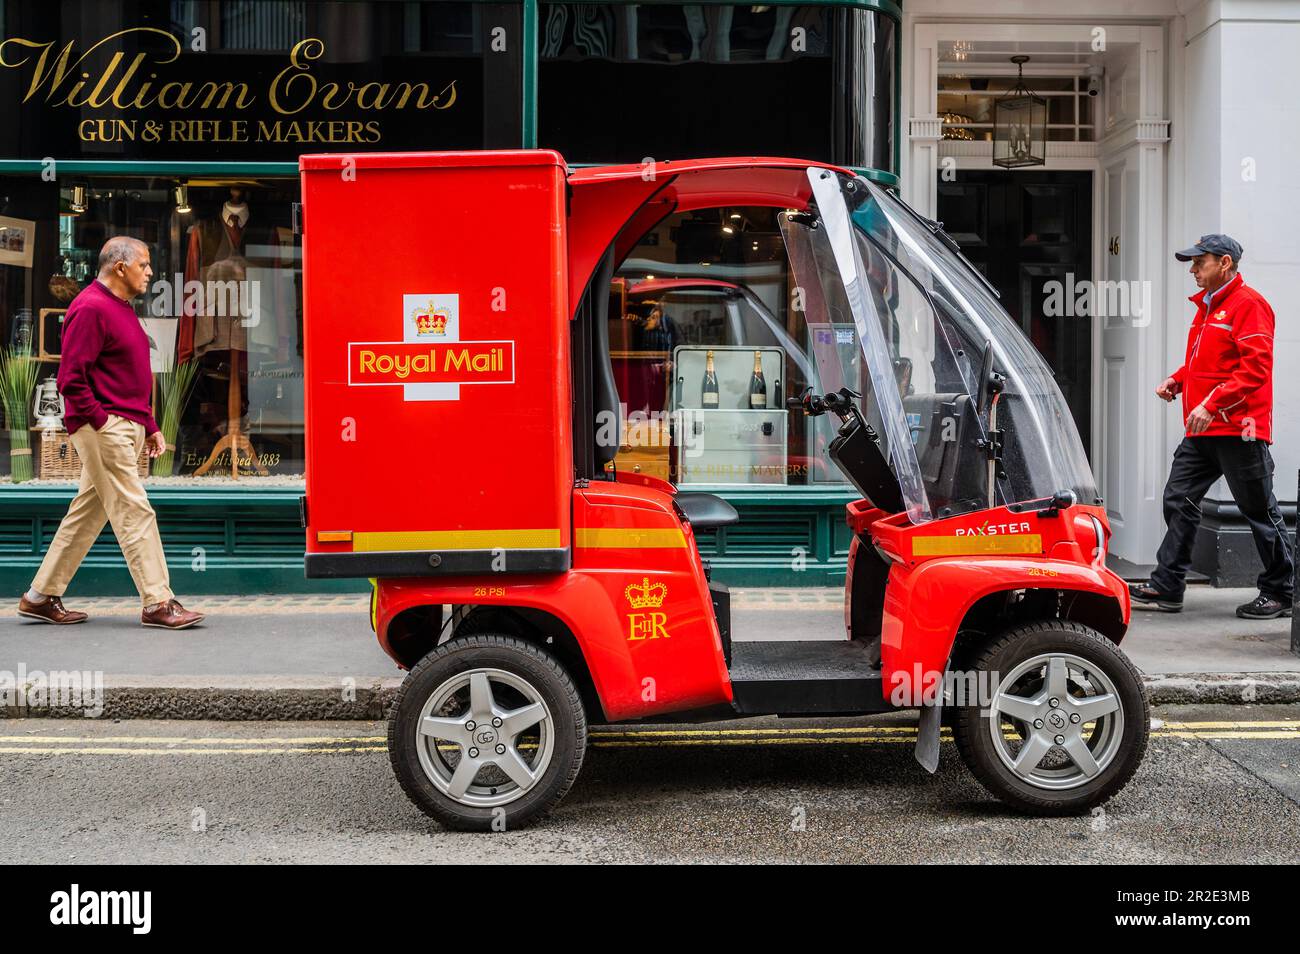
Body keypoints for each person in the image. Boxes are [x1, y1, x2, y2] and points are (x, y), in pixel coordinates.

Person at [17, 237, 205, 629]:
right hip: (105, 428)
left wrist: (150, 425)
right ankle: (158, 601)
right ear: (120, 267)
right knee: (135, 509)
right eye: (145, 265)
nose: (150, 272)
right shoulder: (89, 307)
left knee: (87, 513)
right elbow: (71, 380)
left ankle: (39, 595)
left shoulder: (118, 308)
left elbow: (126, 378)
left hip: (122, 423)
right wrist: (99, 423)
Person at [1130, 234, 1294, 619]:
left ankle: (1282, 592)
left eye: (1198, 263)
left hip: (1240, 429)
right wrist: (1179, 379)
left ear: (1224, 263)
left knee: (1258, 511)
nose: (1192, 270)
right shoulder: (1207, 308)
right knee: (1178, 497)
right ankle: (1168, 585)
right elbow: (1207, 364)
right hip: (1203, 429)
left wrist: (1212, 404)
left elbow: (1254, 370)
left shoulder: (1249, 305)